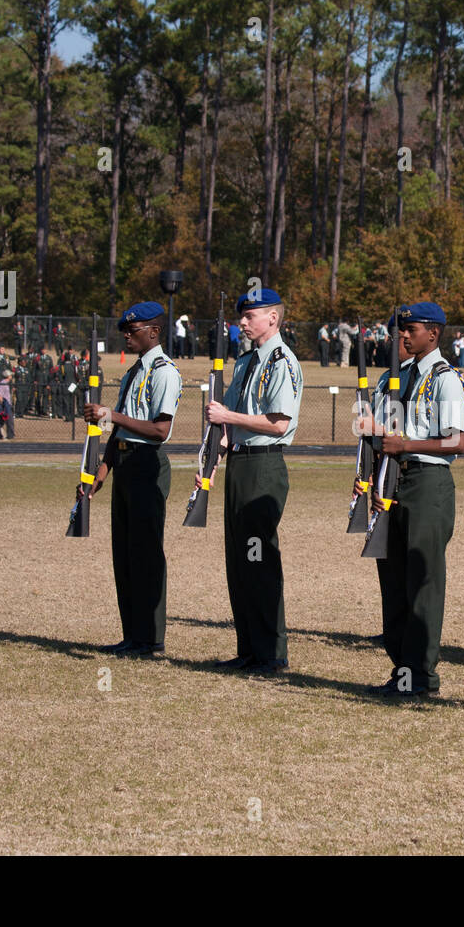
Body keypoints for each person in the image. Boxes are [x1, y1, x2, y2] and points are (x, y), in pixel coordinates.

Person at [360, 302, 464, 697]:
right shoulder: (393, 378)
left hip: (427, 482)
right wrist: (369, 478)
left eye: (411, 329)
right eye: (400, 329)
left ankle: (420, 676)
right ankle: (401, 670)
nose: (402, 335)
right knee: (392, 580)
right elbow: (373, 434)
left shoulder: (445, 379)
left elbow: (457, 441)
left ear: (433, 334)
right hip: (392, 483)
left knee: (422, 580)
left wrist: (404, 443)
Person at [202, 287, 303, 674]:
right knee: (239, 561)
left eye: (250, 316)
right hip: (239, 465)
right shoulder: (246, 362)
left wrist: (228, 418)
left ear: (273, 318)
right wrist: (212, 461)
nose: (242, 322)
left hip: (263, 466)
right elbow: (228, 423)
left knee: (259, 559)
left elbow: (278, 423)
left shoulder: (282, 361)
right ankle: (249, 648)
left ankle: (272, 652)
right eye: (241, 316)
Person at [80, 301, 182, 657]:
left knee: (146, 554)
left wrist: (111, 414)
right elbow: (118, 429)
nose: (125, 334)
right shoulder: (133, 372)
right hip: (123, 464)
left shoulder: (164, 372)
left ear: (153, 332)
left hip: (146, 465)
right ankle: (133, 635)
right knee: (124, 555)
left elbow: (159, 429)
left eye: (132, 330)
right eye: (124, 329)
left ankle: (151, 638)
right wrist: (101, 472)